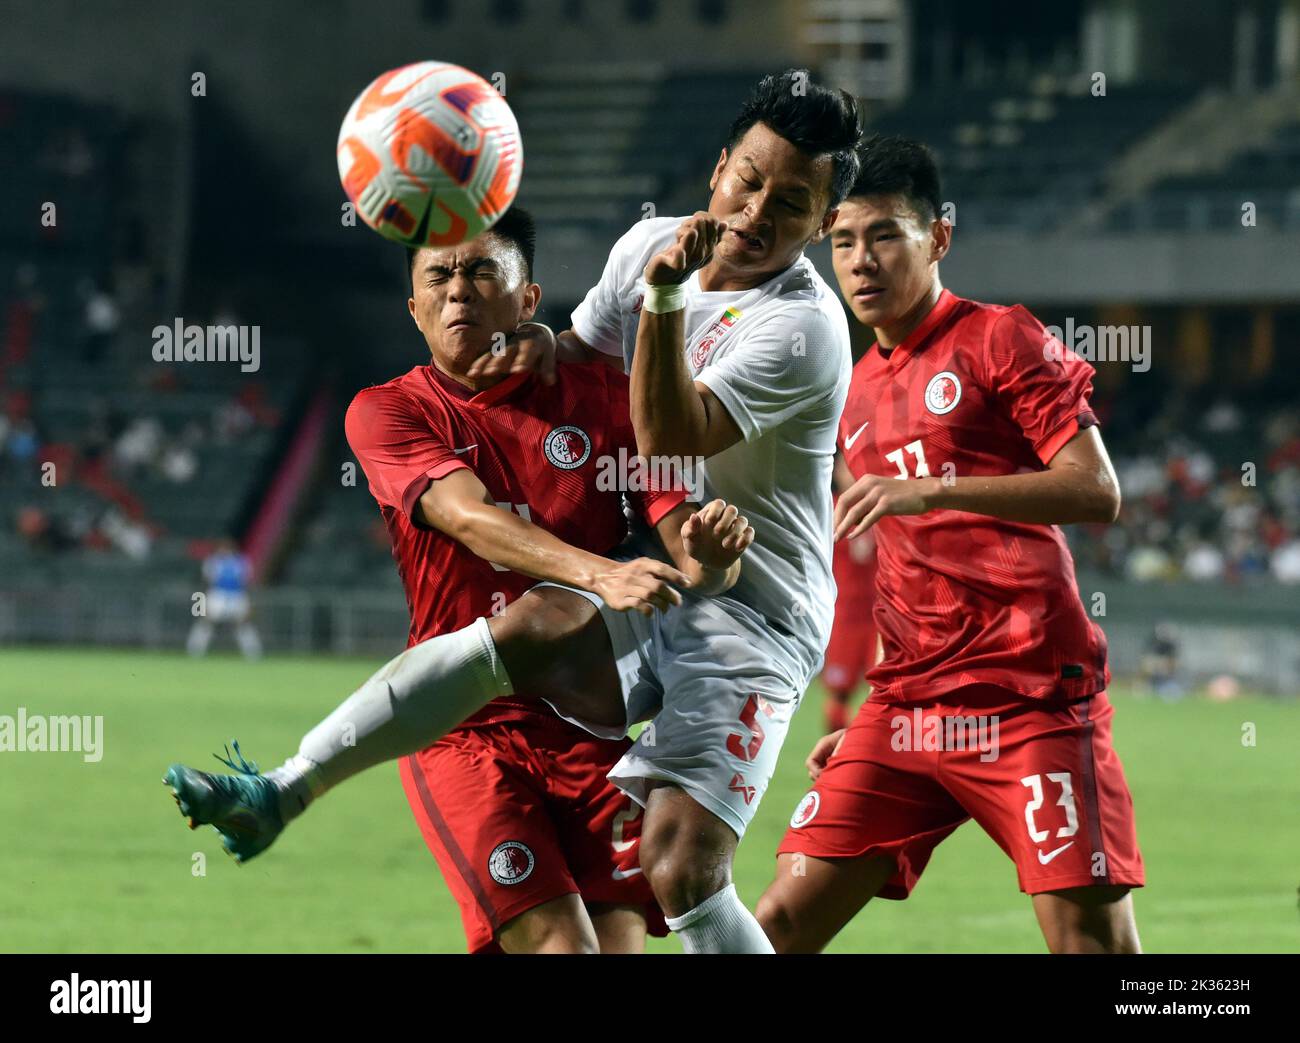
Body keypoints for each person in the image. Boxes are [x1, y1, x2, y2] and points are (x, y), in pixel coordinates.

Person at [166, 68, 860, 955]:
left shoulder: (802, 326)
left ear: (821, 222)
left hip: (754, 615)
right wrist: (546, 339)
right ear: (720, 166)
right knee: (547, 615)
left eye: (793, 202)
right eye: (750, 179)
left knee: (682, 866)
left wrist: (661, 299)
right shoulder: (644, 248)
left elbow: (666, 429)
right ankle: (288, 784)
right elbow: (580, 361)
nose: (759, 211)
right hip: (652, 586)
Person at [754, 135, 1144, 954]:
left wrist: (935, 484)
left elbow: (1096, 489)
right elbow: (909, 568)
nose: (862, 261)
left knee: (1090, 944)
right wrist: (873, 713)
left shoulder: (1001, 337)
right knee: (779, 922)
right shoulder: (854, 389)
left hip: (1029, 700)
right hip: (909, 712)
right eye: (845, 240)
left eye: (886, 234)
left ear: (938, 238)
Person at [822, 453, 879, 732]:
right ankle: (833, 760)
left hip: (881, 619)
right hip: (843, 617)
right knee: (839, 691)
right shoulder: (826, 512)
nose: (854, 474)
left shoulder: (885, 510)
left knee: (884, 691)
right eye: (848, 468)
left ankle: (875, 756)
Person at [186, 539, 261, 658]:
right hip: (218, 594)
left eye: (227, 547)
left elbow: (247, 583)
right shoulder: (212, 562)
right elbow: (207, 582)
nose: (224, 550)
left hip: (237, 595)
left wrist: (249, 602)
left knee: (242, 624)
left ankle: (253, 654)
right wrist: (202, 601)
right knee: (207, 621)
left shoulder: (241, 562)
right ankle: (195, 651)